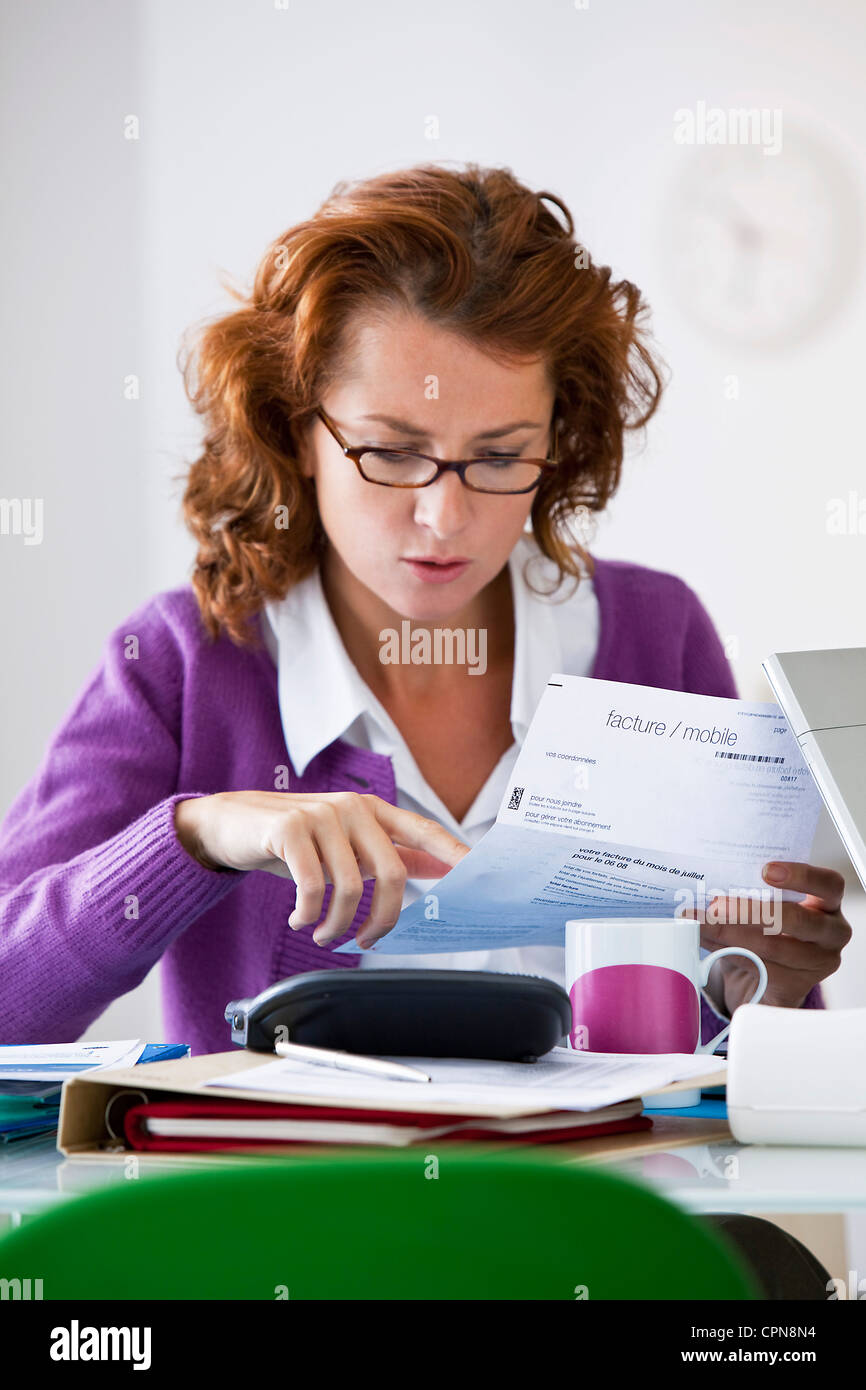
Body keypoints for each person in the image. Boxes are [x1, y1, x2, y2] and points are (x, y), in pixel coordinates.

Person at [0, 164, 849, 1296]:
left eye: (499, 457)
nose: (442, 517)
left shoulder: (654, 630)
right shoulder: (187, 664)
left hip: (598, 1264)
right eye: (390, 450)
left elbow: (726, 1082)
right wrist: (198, 831)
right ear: (298, 430)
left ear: (561, 442)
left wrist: (766, 988)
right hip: (279, 1269)